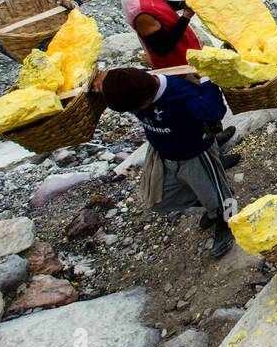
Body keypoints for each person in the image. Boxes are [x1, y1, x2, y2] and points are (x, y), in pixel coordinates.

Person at [95, 67, 238, 258]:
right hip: (164, 154)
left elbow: (213, 111)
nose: (136, 112)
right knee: (158, 201)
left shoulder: (180, 92)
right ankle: (214, 200)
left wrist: (207, 80)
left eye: (138, 108)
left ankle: (228, 219)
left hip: (195, 153)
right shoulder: (133, 82)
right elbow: (106, 78)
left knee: (218, 195)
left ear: (147, 97)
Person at [121, 0, 234, 149]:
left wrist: (181, 4)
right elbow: (163, 47)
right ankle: (208, 151)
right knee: (197, 106)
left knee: (203, 101)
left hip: (187, 55)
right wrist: (186, 17)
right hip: (176, 66)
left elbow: (161, 5)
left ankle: (215, 139)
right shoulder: (140, 12)